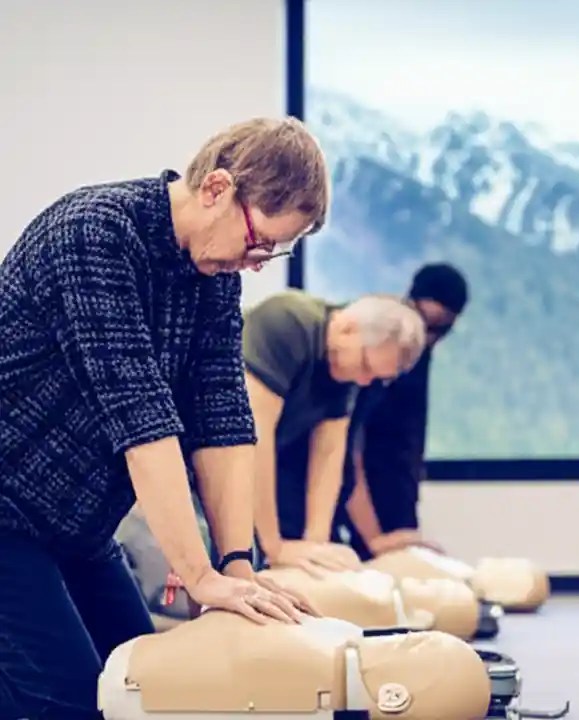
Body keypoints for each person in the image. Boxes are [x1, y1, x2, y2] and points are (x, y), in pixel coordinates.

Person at [0, 117, 328, 717]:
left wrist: (235, 565)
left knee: (142, 687)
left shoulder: (213, 274)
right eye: (259, 242)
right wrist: (196, 575)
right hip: (7, 513)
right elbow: (141, 418)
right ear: (217, 189)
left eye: (272, 251)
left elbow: (222, 416)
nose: (258, 263)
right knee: (71, 701)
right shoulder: (94, 234)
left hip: (78, 528)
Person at [243, 290, 428, 576]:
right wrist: (273, 546)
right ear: (347, 328)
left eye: (374, 378)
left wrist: (316, 545)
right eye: (365, 366)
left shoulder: (344, 364)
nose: (364, 381)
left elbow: (329, 454)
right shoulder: (287, 323)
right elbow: (254, 435)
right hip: (192, 459)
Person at [337, 263, 469, 559]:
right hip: (349, 501)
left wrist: (404, 530)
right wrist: (374, 539)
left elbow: (406, 445)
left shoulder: (419, 354)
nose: (428, 337)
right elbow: (345, 449)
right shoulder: (375, 349)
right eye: (425, 323)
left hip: (392, 499)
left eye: (441, 329)